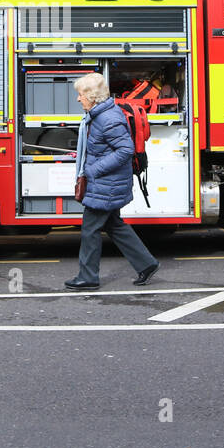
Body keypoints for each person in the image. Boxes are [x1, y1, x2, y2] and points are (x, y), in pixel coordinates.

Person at [66, 72, 159, 290]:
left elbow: (125, 150)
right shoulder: (100, 115)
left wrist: (92, 169)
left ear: (92, 96)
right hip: (107, 183)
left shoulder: (107, 118)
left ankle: (88, 277)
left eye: (80, 95)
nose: (78, 99)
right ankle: (146, 263)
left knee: (90, 230)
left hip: (105, 184)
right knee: (115, 225)